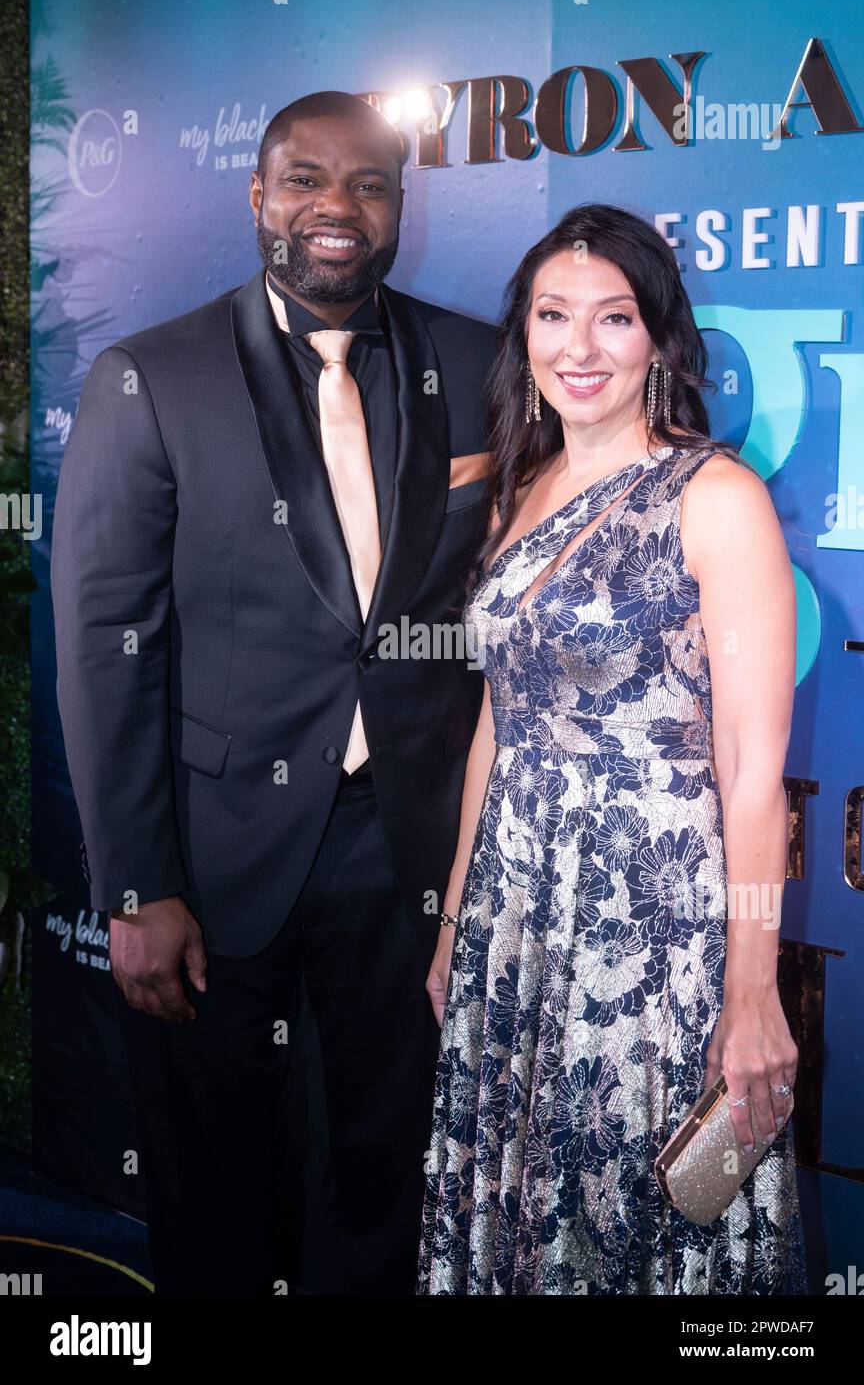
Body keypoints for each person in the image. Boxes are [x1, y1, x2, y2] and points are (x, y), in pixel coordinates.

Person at [50, 90, 497, 1296]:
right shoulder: (152, 376)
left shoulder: (479, 359)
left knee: (384, 1159)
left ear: (400, 204)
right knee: (211, 1172)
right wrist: (136, 884)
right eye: (305, 180)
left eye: (367, 184)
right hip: (213, 836)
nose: (336, 209)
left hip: (404, 842)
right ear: (257, 196)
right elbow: (104, 641)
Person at [416, 203, 810, 1295]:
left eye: (613, 318)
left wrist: (751, 986)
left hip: (652, 923)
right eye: (552, 315)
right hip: (514, 907)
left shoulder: (716, 497)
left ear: (660, 340)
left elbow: (750, 767)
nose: (577, 348)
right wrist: (456, 920)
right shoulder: (517, 490)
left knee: (640, 1206)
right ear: (523, 332)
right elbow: (497, 724)